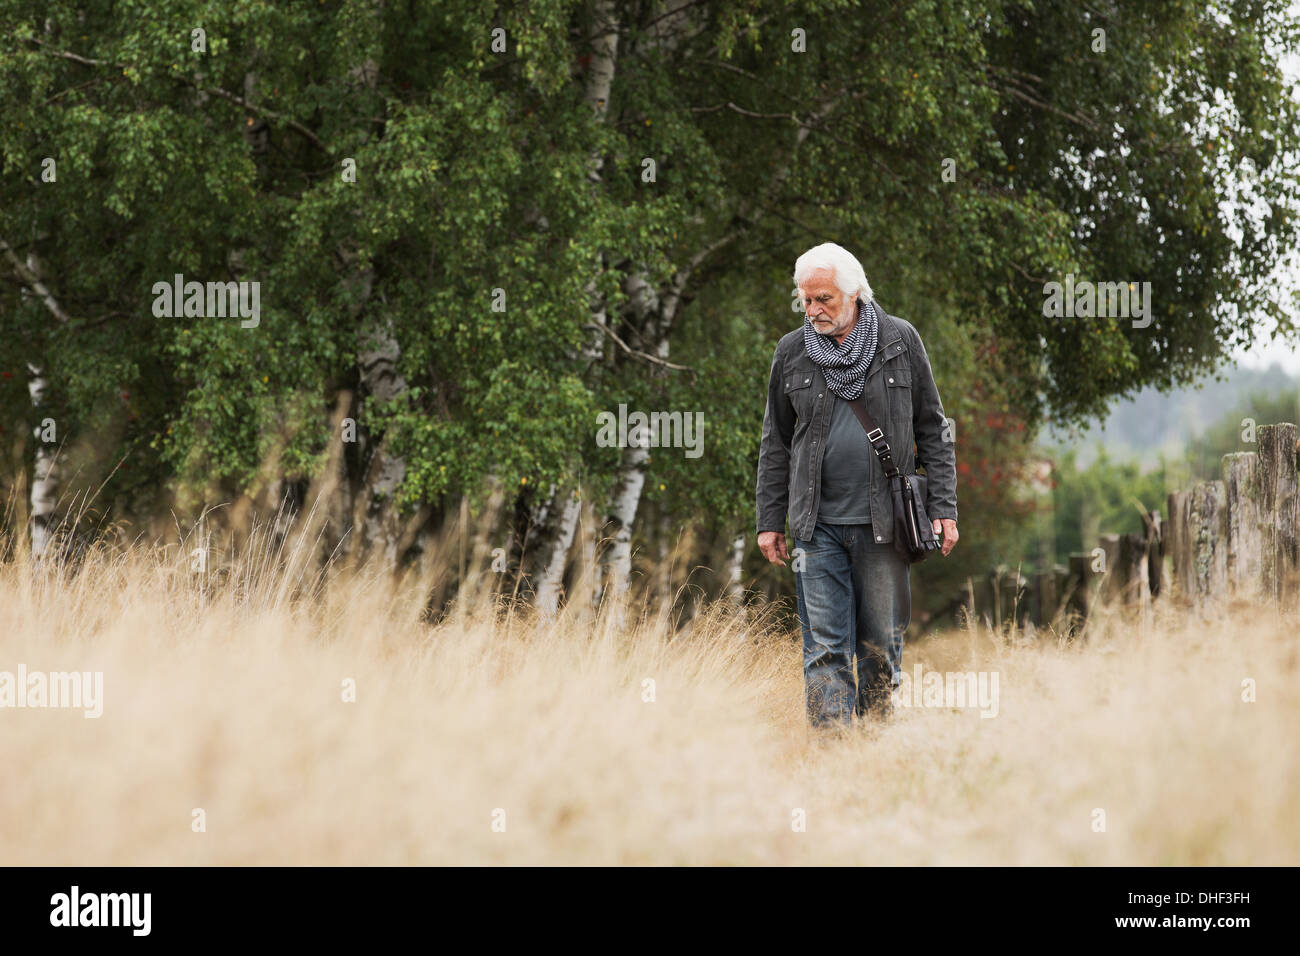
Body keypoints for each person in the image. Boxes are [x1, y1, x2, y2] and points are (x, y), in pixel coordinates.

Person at [754, 242, 959, 728]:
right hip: (815, 525)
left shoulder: (899, 341)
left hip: (886, 524)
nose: (813, 310)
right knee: (824, 648)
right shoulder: (791, 352)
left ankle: (875, 747)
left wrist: (944, 507)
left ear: (854, 293)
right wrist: (769, 521)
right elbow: (775, 442)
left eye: (823, 298)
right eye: (806, 300)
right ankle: (832, 755)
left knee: (879, 647)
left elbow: (934, 428)